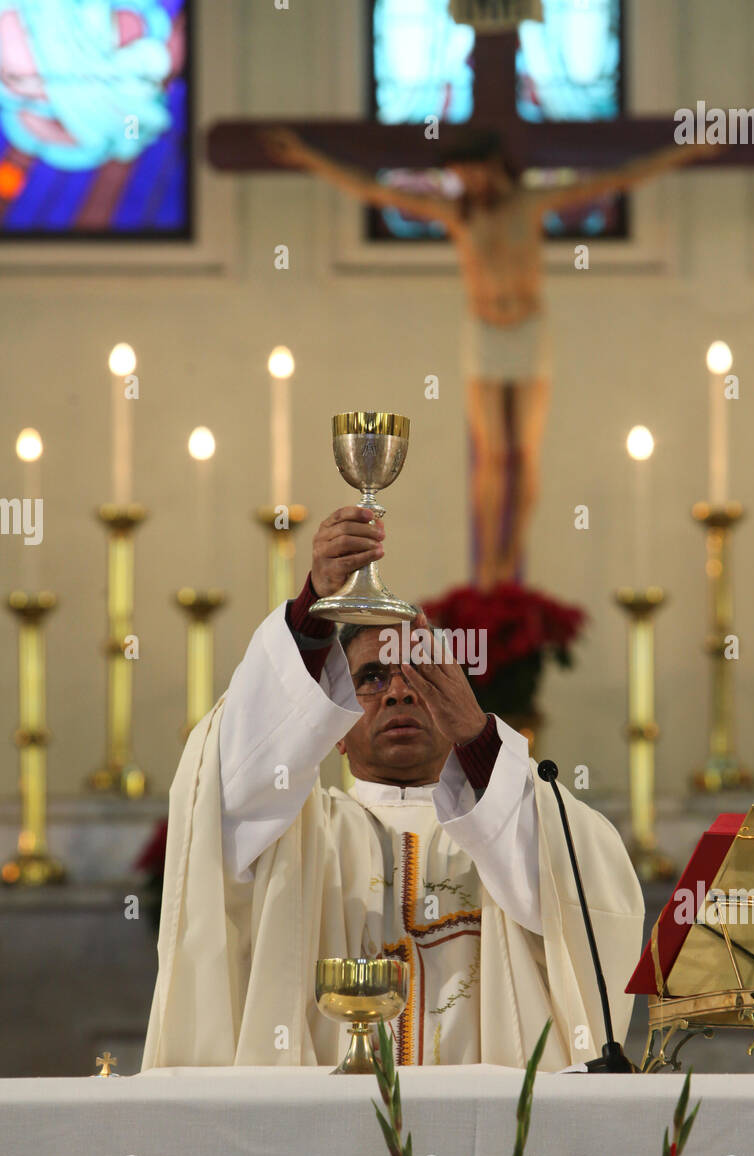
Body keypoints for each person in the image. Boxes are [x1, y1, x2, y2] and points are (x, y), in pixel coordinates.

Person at [141, 505, 645, 1071]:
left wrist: (478, 738)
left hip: (496, 1136)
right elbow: (224, 785)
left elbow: (579, 888)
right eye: (372, 678)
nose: (400, 693)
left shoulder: (513, 815)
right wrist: (312, 610)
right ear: (326, 723)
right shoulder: (297, 832)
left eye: (422, 673)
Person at [260, 126, 717, 589]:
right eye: (460, 177)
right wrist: (306, 158)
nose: (469, 185)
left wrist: (689, 150)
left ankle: (510, 554)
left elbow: (616, 180)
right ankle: (488, 567)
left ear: (493, 165)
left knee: (524, 452)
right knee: (493, 456)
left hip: (528, 331)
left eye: (472, 173)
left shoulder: (530, 203)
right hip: (484, 335)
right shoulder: (459, 214)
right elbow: (375, 191)